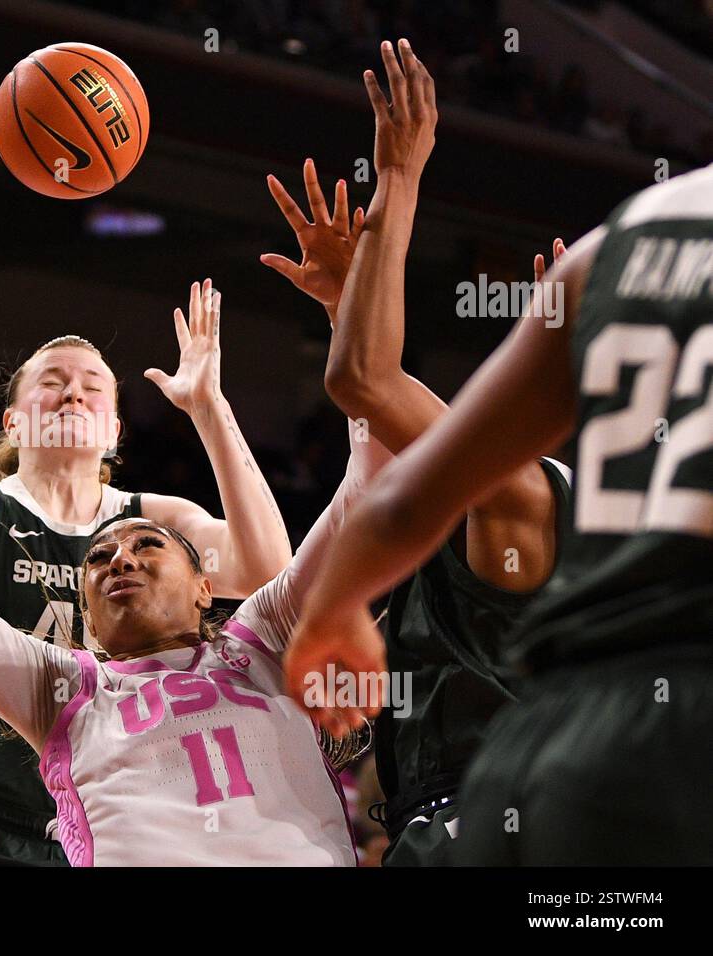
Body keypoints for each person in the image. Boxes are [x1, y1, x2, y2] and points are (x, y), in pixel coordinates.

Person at [286, 55, 713, 865]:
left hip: (535, 771)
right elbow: (373, 389)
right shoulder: (537, 498)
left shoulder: (626, 239)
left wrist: (398, 176)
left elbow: (371, 397)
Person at [0, 258, 393, 865]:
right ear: (12, 423)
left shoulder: (159, 522)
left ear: (116, 431)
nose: (73, 391)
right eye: (51, 382)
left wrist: (209, 404)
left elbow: (268, 569)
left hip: (94, 817)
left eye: (93, 385)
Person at [264, 41, 569, 864]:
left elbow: (365, 378)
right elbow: (380, 420)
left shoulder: (523, 494)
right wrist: (344, 304)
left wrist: (396, 181)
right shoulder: (511, 508)